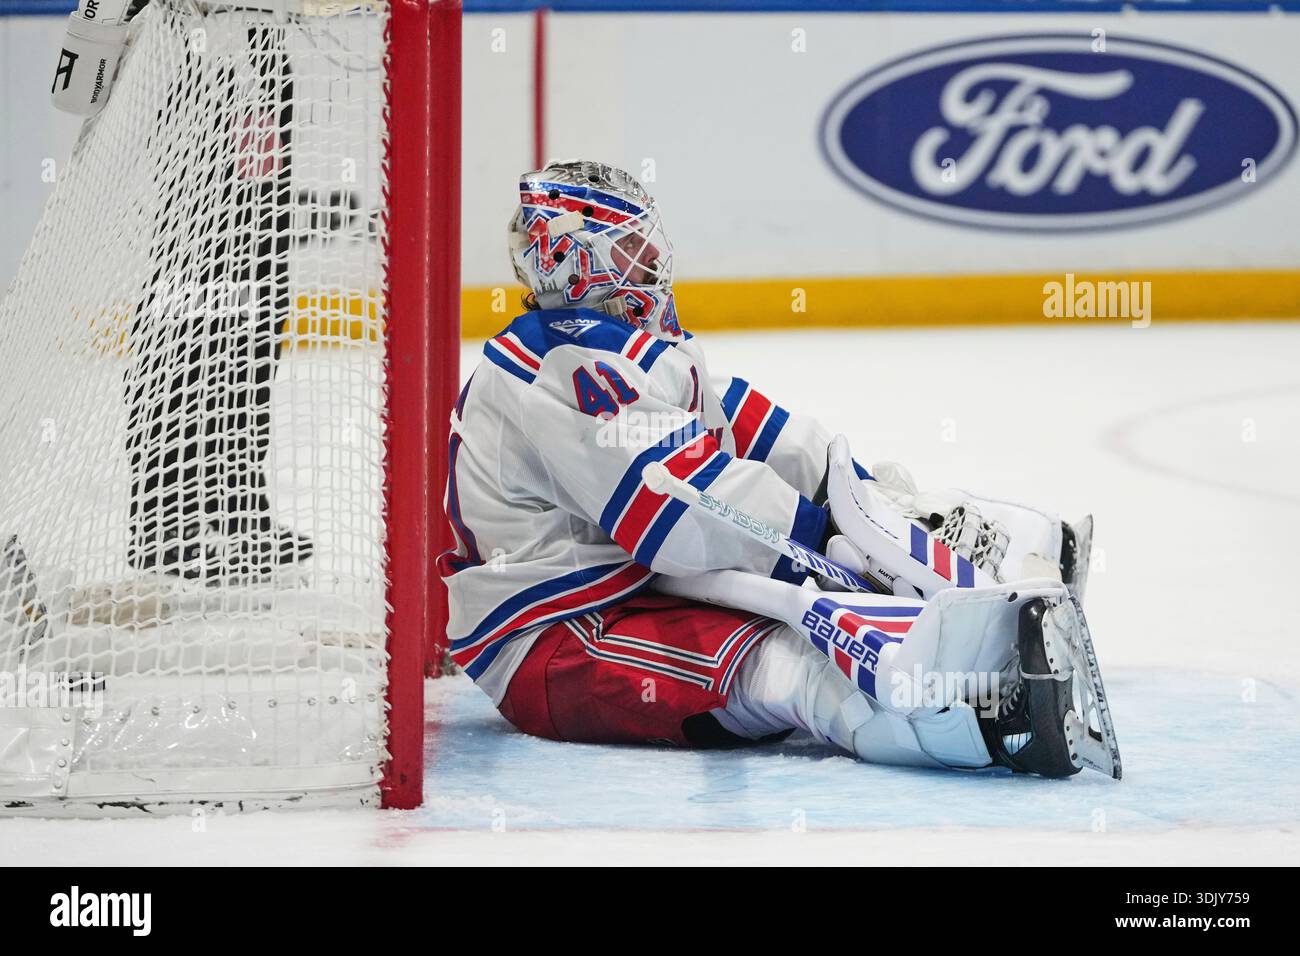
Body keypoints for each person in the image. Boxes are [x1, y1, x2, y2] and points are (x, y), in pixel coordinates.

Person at [441, 159, 1113, 778]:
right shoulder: (552, 366)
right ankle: (977, 726)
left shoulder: (619, 344)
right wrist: (816, 542)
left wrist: (862, 496)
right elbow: (679, 508)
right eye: (629, 247)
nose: (652, 258)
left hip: (626, 588)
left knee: (837, 560)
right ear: (575, 263)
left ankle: (989, 568)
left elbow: (741, 423)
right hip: (551, 640)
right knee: (789, 665)